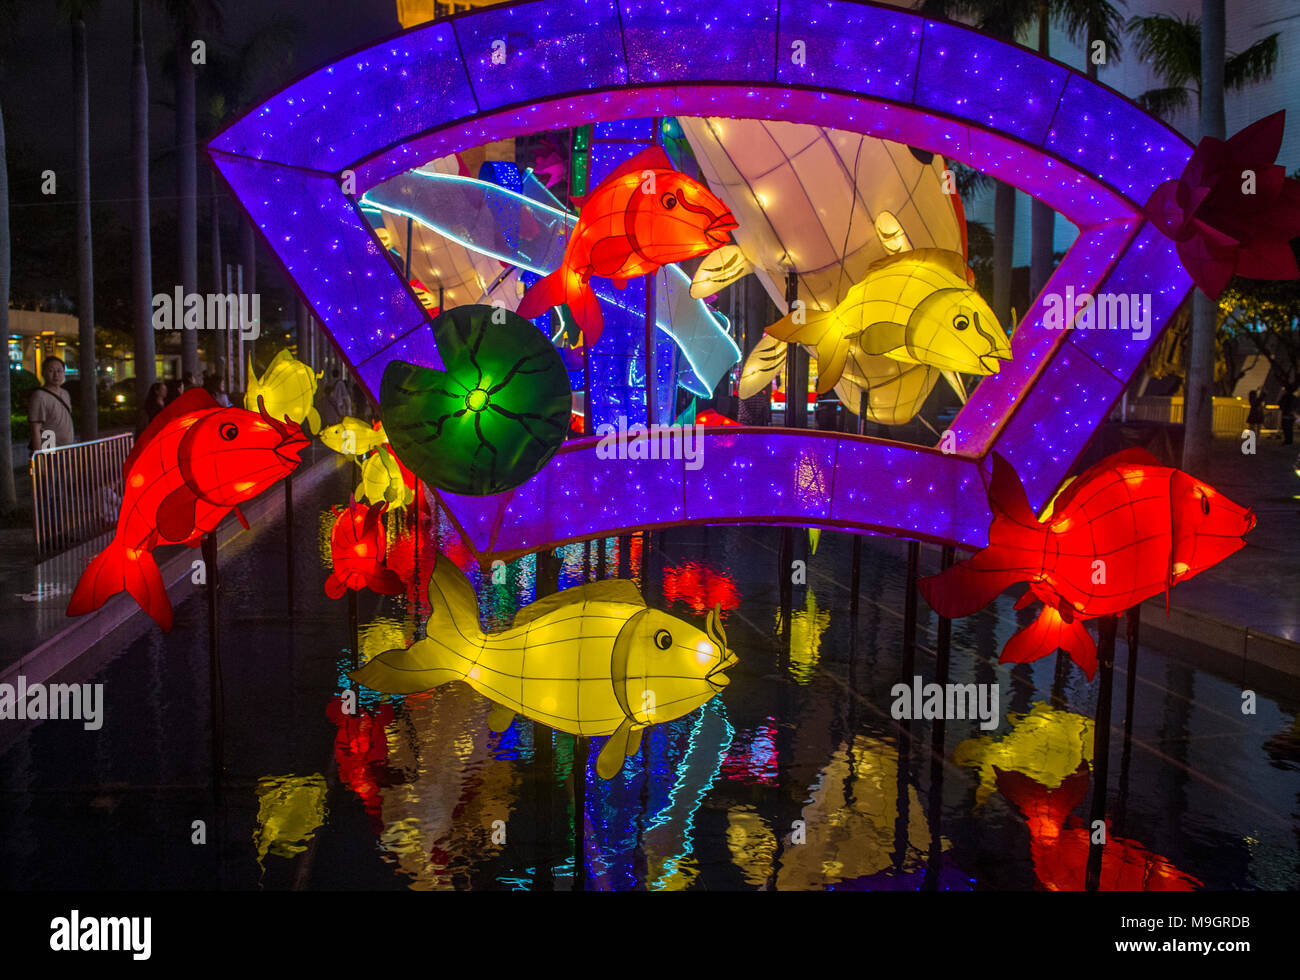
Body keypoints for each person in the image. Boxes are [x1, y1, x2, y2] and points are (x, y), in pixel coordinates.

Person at [28, 357, 76, 451]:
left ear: (64, 373)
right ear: (43, 373)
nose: (56, 375)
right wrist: (39, 455)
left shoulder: (65, 393)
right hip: (49, 450)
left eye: (59, 371)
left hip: (67, 449)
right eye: (51, 371)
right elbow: (35, 428)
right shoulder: (39, 396)